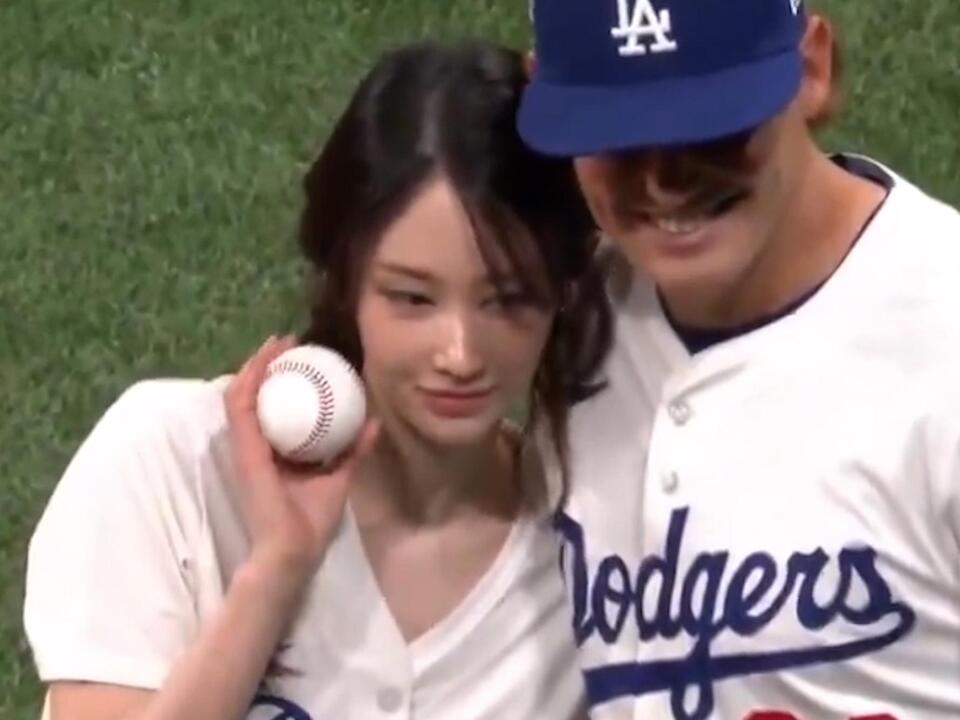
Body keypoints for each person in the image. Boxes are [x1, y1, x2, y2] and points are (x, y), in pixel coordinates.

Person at [23, 39, 611, 720]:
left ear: (563, 291)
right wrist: (274, 574)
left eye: (507, 299)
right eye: (412, 298)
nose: (460, 352)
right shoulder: (172, 460)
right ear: (346, 281)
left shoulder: (589, 551)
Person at [518, 1, 960, 719]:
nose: (662, 181)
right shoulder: (564, 322)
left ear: (811, 68)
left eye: (710, 124)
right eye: (616, 135)